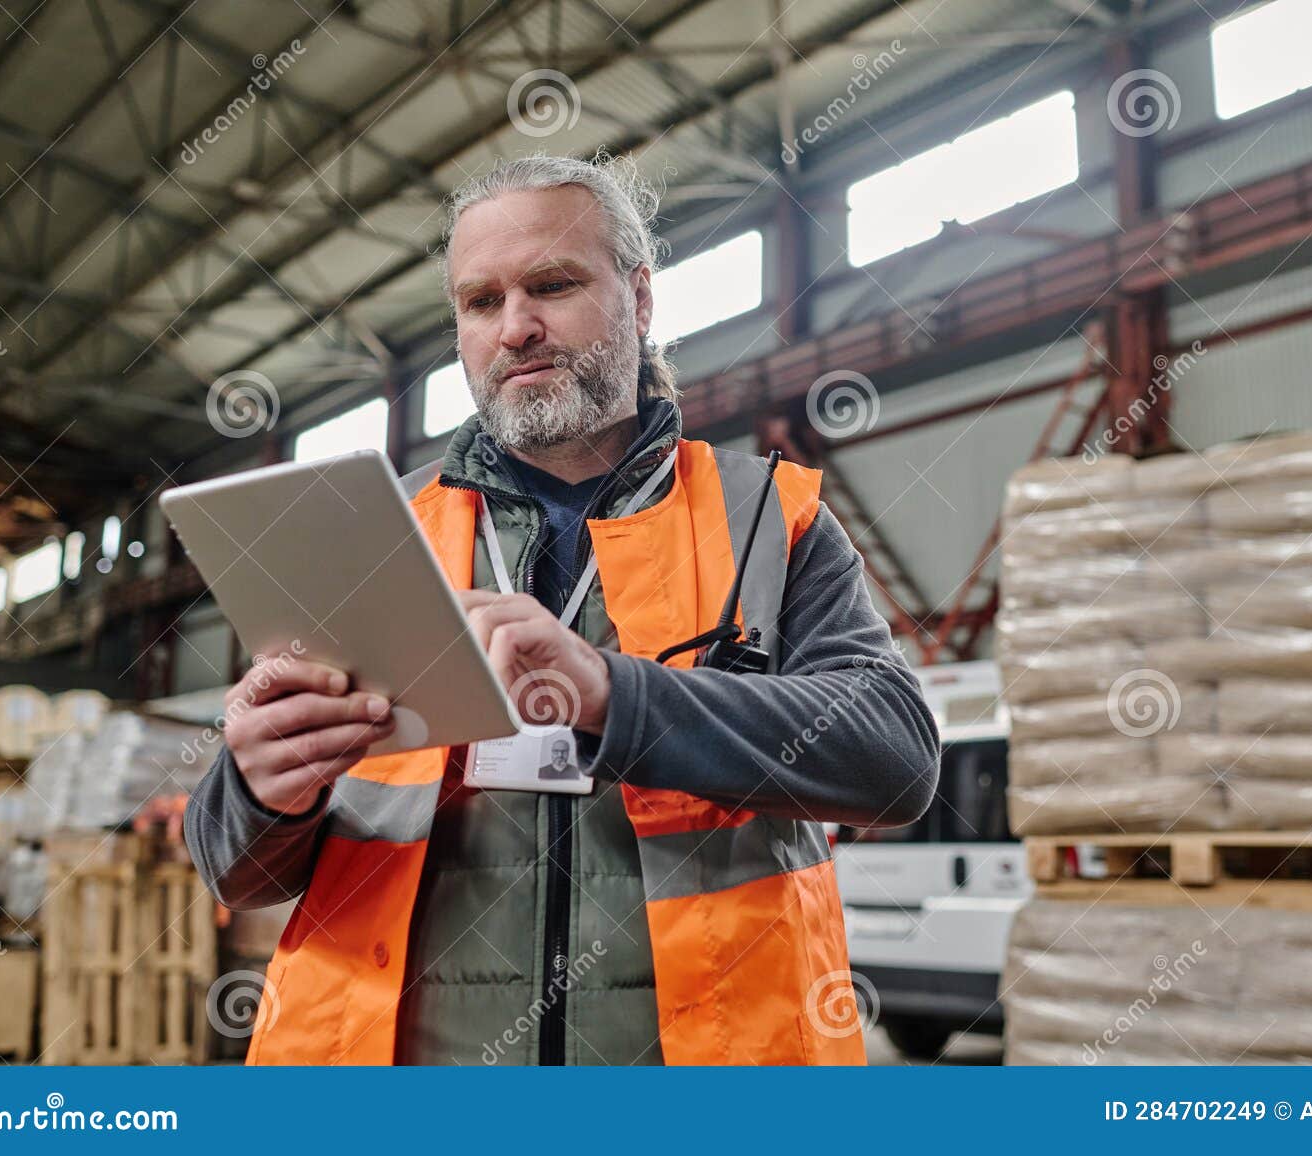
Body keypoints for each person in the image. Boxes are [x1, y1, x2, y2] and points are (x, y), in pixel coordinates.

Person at [183, 151, 940, 1067]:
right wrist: (261, 791)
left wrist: (616, 695)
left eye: (552, 285)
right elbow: (235, 870)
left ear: (640, 298)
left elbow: (895, 760)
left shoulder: (765, 519)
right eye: (481, 302)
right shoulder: (374, 535)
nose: (516, 328)